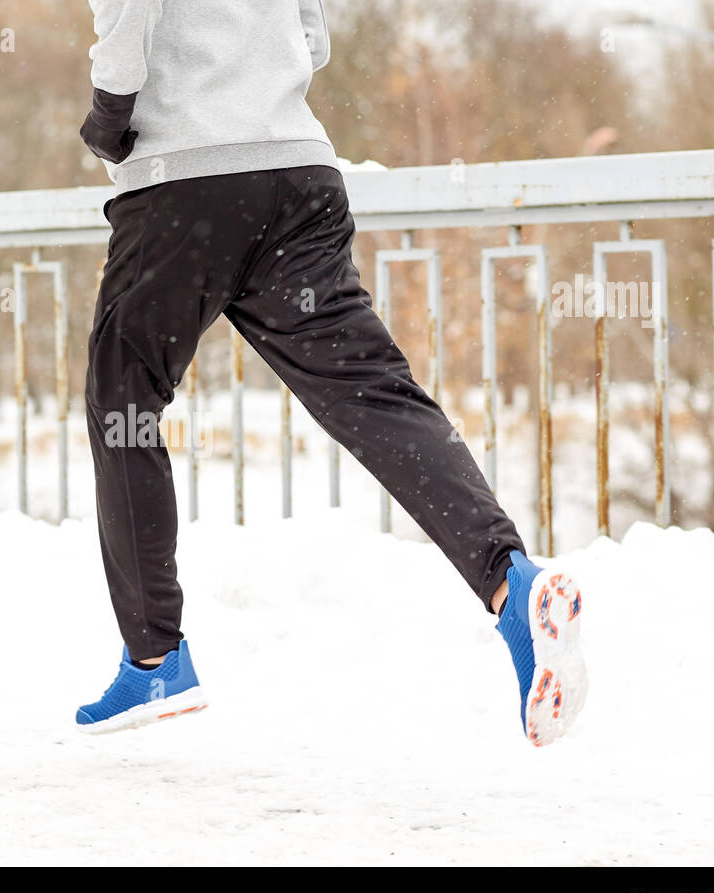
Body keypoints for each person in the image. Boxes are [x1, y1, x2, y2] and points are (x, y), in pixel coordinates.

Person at [75, 0, 587, 746]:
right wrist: (257, 81)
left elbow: (126, 27)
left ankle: (154, 658)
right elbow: (311, 39)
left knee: (123, 401)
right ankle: (512, 583)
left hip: (183, 181)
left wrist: (108, 119)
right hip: (299, 178)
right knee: (374, 395)